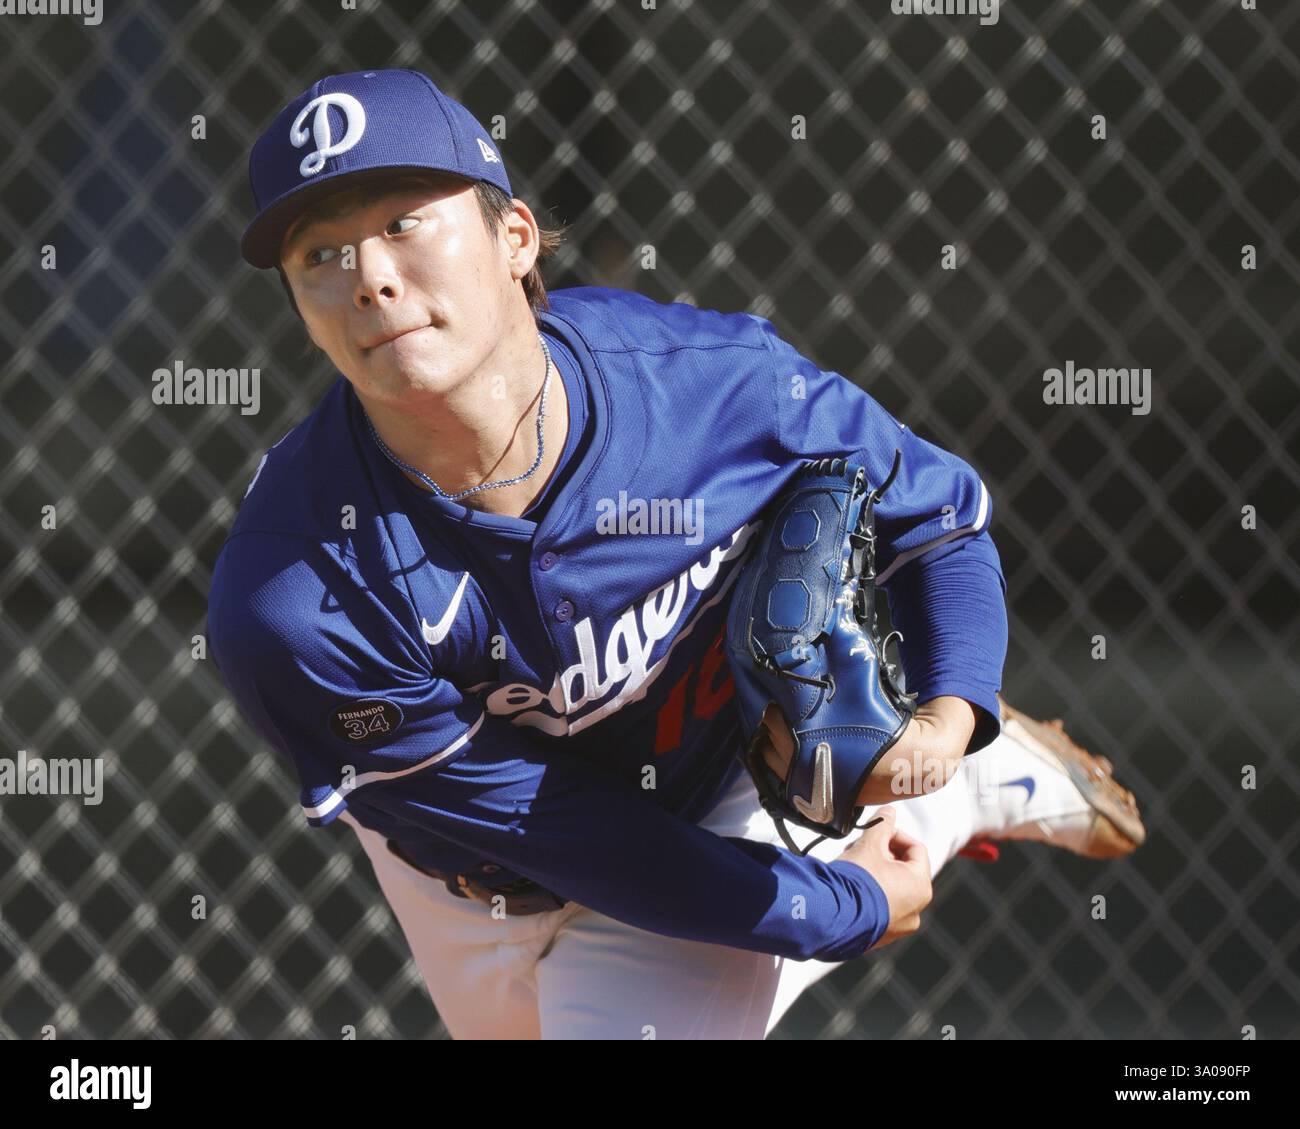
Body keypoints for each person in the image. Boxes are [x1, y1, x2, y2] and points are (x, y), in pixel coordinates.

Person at [208, 68, 1145, 1039]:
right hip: (485, 875)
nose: (368, 276)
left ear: (515, 237)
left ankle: (946, 785)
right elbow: (567, 831)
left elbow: (937, 520)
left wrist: (949, 719)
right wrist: (843, 906)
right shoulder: (296, 594)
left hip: (717, 786)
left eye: (404, 221)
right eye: (321, 253)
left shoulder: (712, 389)